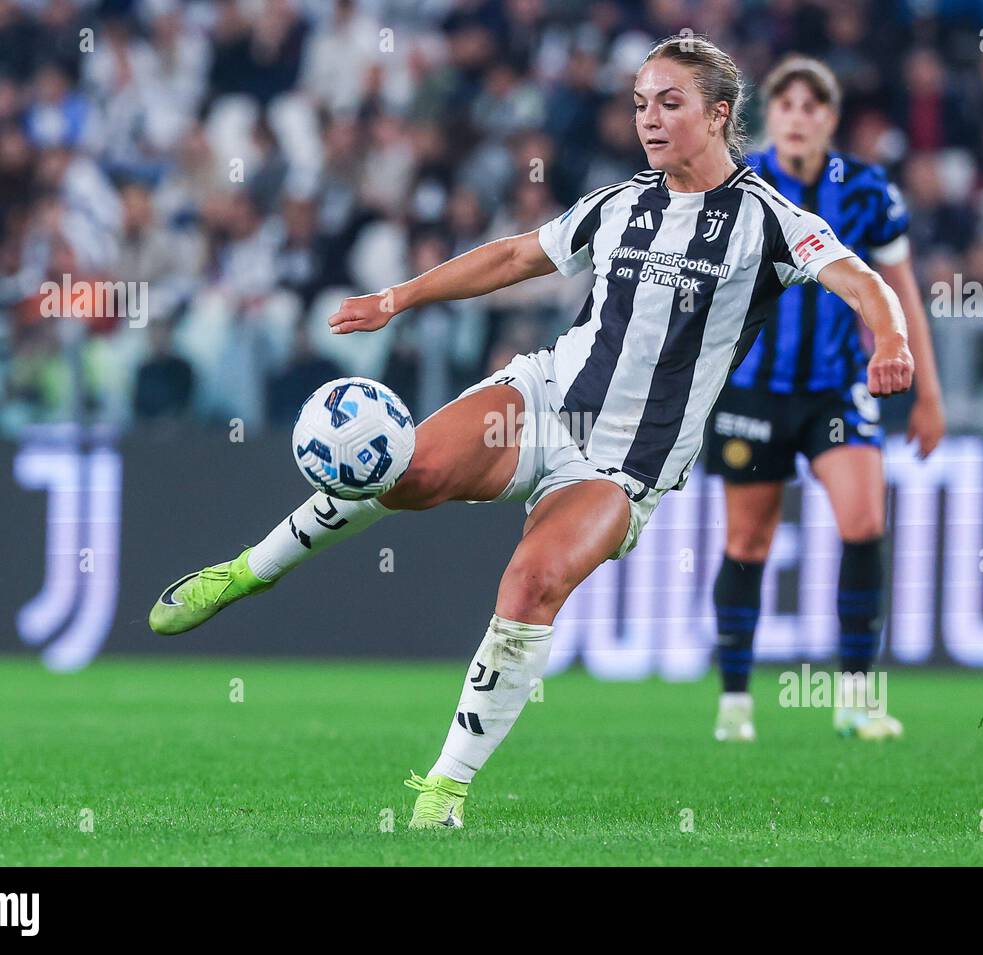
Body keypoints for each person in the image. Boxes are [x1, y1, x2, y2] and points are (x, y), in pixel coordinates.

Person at [147, 36, 915, 828]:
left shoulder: (769, 220)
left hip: (624, 463)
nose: (649, 120)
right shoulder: (621, 202)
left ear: (719, 115)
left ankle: (444, 789)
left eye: (670, 103)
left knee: (530, 586)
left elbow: (862, 281)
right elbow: (517, 255)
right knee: (401, 473)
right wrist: (398, 299)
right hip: (545, 398)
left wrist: (889, 341)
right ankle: (246, 571)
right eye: (641, 103)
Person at [705, 56, 944, 743]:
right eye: (787, 105)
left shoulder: (867, 191)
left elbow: (902, 296)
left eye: (813, 106)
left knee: (864, 522)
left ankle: (857, 699)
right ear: (769, 119)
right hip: (752, 391)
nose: (799, 117)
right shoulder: (739, 190)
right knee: (748, 540)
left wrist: (928, 395)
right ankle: (735, 703)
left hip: (837, 391)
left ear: (829, 120)